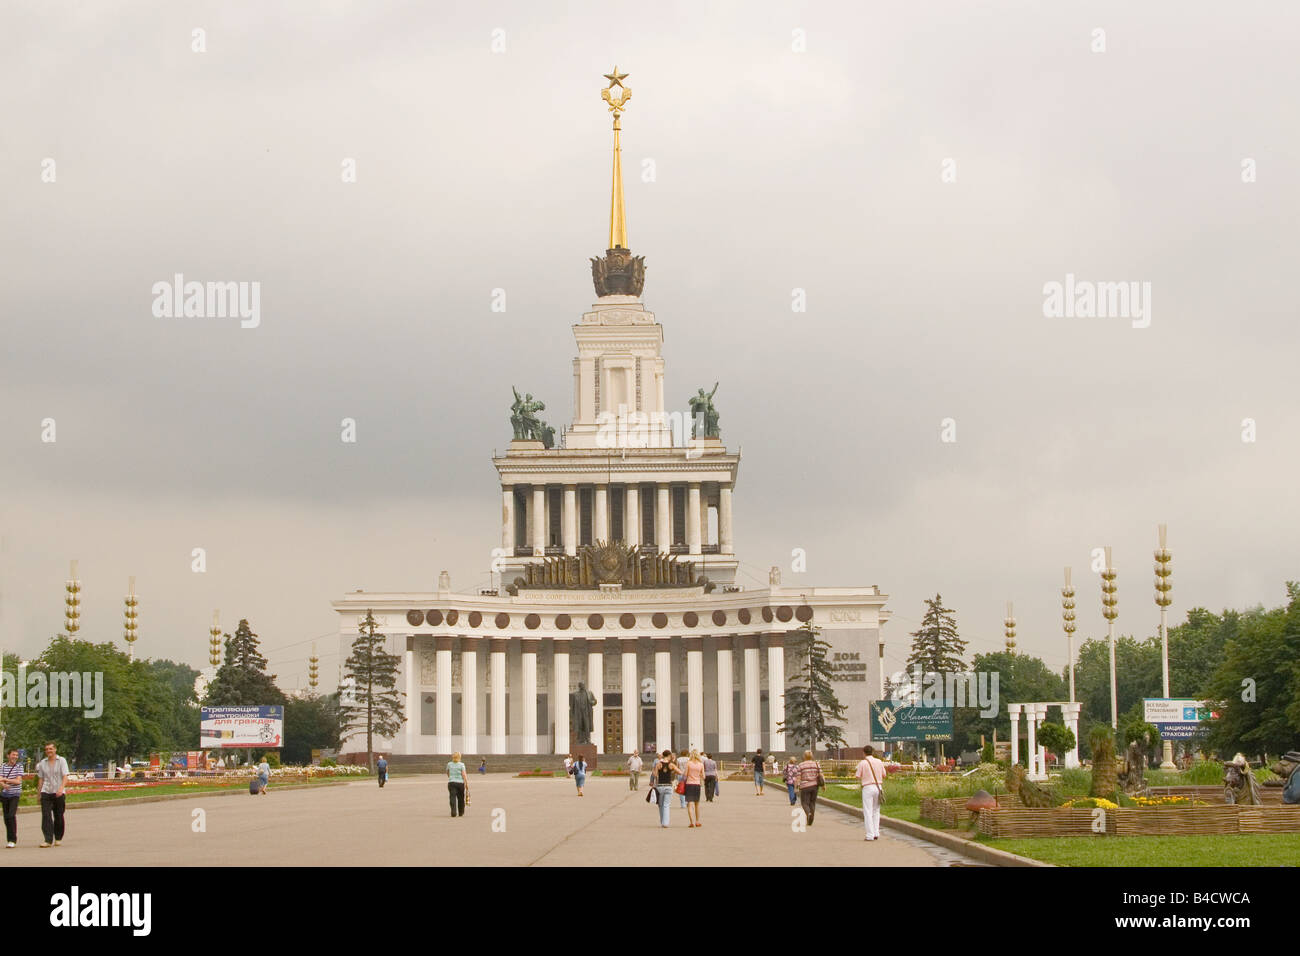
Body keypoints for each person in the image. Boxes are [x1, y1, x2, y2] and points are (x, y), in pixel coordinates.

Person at [36, 742, 69, 847]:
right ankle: (48, 839)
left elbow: (65, 776)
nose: (49, 751)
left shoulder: (62, 761)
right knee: (46, 816)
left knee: (58, 815)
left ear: (55, 749)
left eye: (50, 749)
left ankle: (58, 837)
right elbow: (41, 779)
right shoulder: (42, 763)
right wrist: (39, 793)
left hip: (58, 792)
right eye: (46, 749)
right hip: (46, 791)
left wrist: (61, 788)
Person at [855, 746, 888, 841]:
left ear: (864, 753)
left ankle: (870, 834)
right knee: (876, 811)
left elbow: (857, 776)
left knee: (868, 811)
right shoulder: (879, 762)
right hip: (878, 787)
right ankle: (876, 832)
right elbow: (884, 775)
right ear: (872, 752)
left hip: (867, 787)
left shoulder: (863, 763)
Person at [794, 750, 825, 826]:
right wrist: (824, 785)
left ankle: (808, 814)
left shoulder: (801, 765)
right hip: (815, 786)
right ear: (812, 756)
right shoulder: (816, 764)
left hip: (805, 786)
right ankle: (811, 817)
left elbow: (798, 777)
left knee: (804, 802)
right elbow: (821, 775)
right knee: (812, 802)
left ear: (804, 756)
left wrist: (796, 787)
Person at [651, 750, 679, 828]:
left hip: (660, 786)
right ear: (669, 755)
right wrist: (673, 771)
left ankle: (662, 821)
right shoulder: (671, 764)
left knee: (660, 805)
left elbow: (655, 775)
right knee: (666, 805)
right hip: (669, 786)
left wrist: (654, 770)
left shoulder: (658, 764)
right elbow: (680, 772)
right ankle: (665, 823)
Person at [2, 749, 23, 847]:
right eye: (13, 755)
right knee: (6, 817)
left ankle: (13, 839)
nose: (15, 757)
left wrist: (5, 780)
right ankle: (9, 839)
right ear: (8, 756)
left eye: (16, 755)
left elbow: (18, 781)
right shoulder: (2, 766)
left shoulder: (19, 767)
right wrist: (3, 784)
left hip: (15, 794)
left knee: (11, 815)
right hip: (5, 794)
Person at [683, 749, 706, 827]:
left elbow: (685, 774)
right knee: (697, 804)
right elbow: (704, 776)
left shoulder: (688, 763)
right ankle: (697, 821)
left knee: (690, 804)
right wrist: (698, 775)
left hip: (689, 784)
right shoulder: (701, 764)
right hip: (697, 784)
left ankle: (691, 822)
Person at [447, 751, 468, 817]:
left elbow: (447, 772)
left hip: (452, 783)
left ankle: (453, 812)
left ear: (453, 757)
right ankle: (461, 812)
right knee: (461, 798)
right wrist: (466, 783)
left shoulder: (449, 764)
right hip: (460, 783)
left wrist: (451, 778)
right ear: (459, 757)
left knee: (452, 797)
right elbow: (464, 775)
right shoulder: (462, 765)